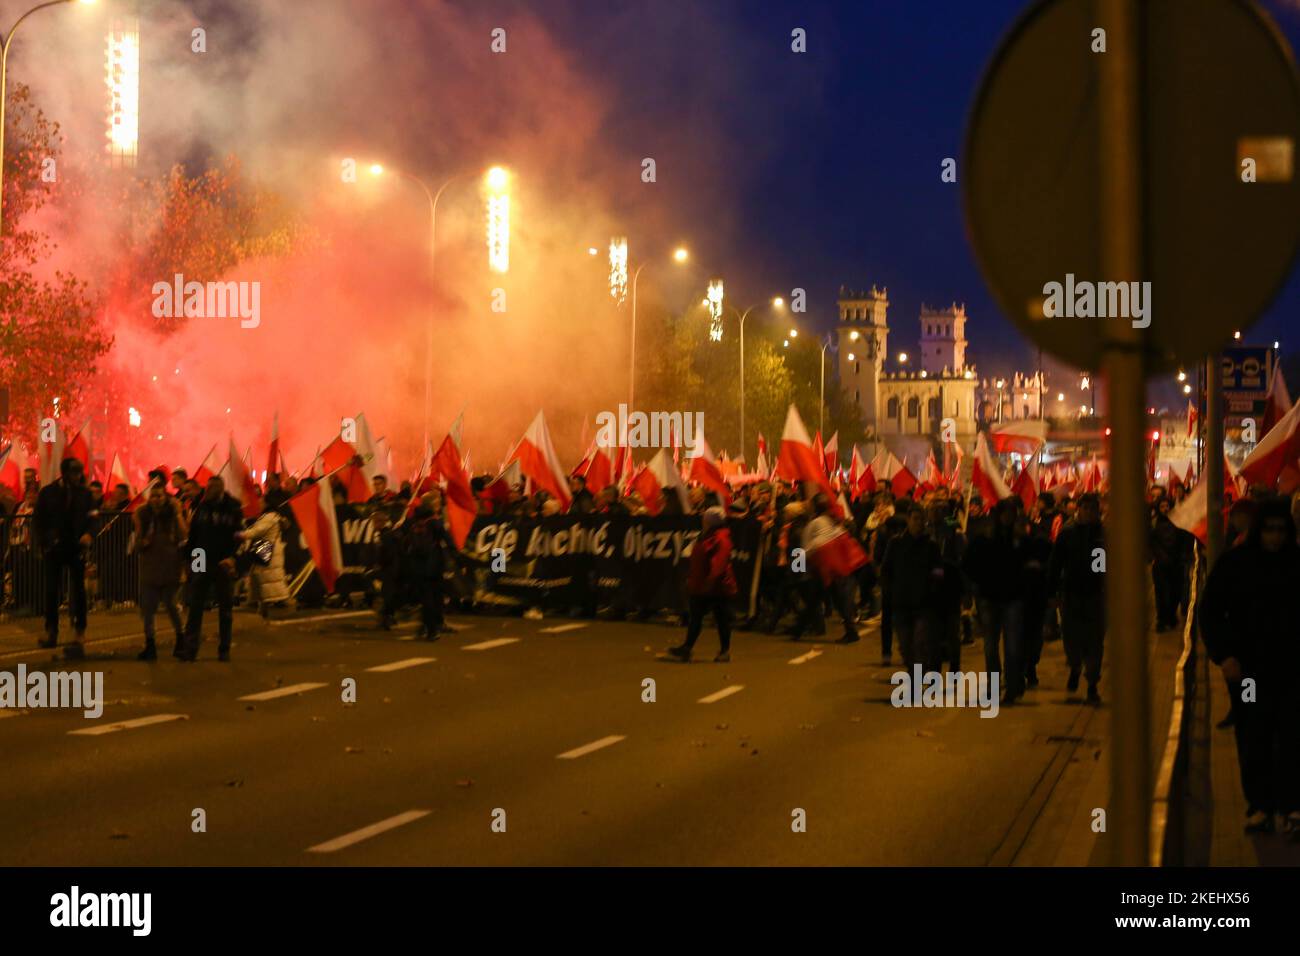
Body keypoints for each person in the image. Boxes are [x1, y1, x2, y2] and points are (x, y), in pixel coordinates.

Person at [1199, 497, 1300, 836]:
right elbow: (1211, 611)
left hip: (1290, 670)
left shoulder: (1295, 564)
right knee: (1253, 733)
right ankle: (1260, 804)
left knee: (1291, 735)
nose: (1275, 537)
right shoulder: (1236, 564)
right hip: (1249, 671)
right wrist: (1225, 655)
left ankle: (1290, 804)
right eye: (1269, 530)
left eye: (1281, 531)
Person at [964, 497, 1029, 704]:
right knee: (990, 646)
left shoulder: (1020, 539)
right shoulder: (984, 538)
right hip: (989, 598)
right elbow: (968, 563)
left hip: (1013, 598)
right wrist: (976, 586)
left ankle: (1011, 686)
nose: (1009, 517)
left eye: (1012, 514)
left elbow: (1029, 565)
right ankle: (993, 686)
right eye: (1006, 513)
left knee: (1012, 645)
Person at [32, 458, 97, 658]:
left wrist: (89, 534)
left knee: (79, 591)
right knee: (51, 591)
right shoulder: (48, 492)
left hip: (76, 547)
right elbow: (38, 519)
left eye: (79, 471)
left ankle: (79, 632)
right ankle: (51, 631)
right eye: (74, 471)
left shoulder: (86, 494)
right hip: (55, 548)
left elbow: (94, 517)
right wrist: (42, 542)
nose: (78, 475)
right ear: (65, 472)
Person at [1047, 492, 1107, 704]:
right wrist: (1052, 592)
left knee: (1094, 640)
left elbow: (1101, 565)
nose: (1090, 513)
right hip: (1070, 594)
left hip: (1094, 596)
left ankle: (1092, 682)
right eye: (1086, 508)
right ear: (1079, 509)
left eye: (1093, 509)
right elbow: (1056, 564)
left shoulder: (1101, 534)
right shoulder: (1067, 533)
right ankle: (1074, 666)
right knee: (1071, 637)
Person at [181, 475, 244, 661]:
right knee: (195, 604)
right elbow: (194, 535)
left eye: (211, 488)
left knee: (225, 607)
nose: (208, 491)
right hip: (201, 556)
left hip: (222, 560)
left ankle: (224, 649)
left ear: (220, 488)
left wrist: (232, 558)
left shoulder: (233, 509)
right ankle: (190, 648)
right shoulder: (203, 506)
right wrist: (189, 560)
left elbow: (238, 536)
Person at [668, 507, 736, 662]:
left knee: (721, 619)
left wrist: (709, 582)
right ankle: (687, 648)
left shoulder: (720, 539)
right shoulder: (708, 536)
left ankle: (724, 650)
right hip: (703, 584)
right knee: (696, 617)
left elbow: (719, 564)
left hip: (716, 586)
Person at [881, 506, 944, 672]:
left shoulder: (931, 545)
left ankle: (915, 682)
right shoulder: (896, 543)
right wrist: (890, 591)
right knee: (905, 646)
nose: (918, 522)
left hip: (923, 604)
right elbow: (886, 570)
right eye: (915, 518)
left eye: (921, 519)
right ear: (908, 520)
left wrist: (933, 589)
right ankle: (915, 673)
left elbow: (938, 570)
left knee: (919, 643)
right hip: (901, 603)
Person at [134, 480, 188, 660]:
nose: (155, 499)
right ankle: (150, 645)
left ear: (166, 498)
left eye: (159, 496)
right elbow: (137, 543)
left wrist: (178, 514)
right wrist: (143, 542)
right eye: (153, 496)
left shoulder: (173, 515)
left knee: (171, 605)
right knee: (148, 610)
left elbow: (184, 536)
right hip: (149, 568)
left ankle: (181, 639)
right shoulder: (143, 515)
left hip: (170, 567)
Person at [404, 502, 454, 640]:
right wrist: (456, 558)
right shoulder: (436, 524)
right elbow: (448, 541)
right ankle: (434, 627)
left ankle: (427, 627)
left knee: (425, 598)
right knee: (435, 597)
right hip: (435, 566)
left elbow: (404, 541)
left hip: (418, 566)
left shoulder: (412, 524)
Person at [242, 497, 291, 617]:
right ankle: (264, 607)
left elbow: (255, 532)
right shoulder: (273, 516)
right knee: (264, 579)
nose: (258, 503)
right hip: (268, 549)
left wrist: (239, 534)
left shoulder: (269, 517)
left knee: (266, 579)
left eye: (261, 502)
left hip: (266, 549)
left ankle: (272, 605)